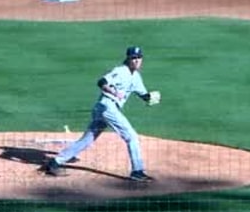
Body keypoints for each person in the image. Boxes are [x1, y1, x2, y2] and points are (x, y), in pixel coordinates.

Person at [39, 46, 161, 183]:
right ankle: (137, 171)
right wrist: (114, 92)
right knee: (131, 136)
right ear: (128, 58)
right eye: (133, 58)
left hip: (105, 109)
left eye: (139, 58)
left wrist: (150, 97)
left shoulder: (136, 77)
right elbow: (101, 82)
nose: (136, 61)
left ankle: (54, 162)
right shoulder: (120, 71)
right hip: (107, 107)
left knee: (87, 139)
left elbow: (143, 94)